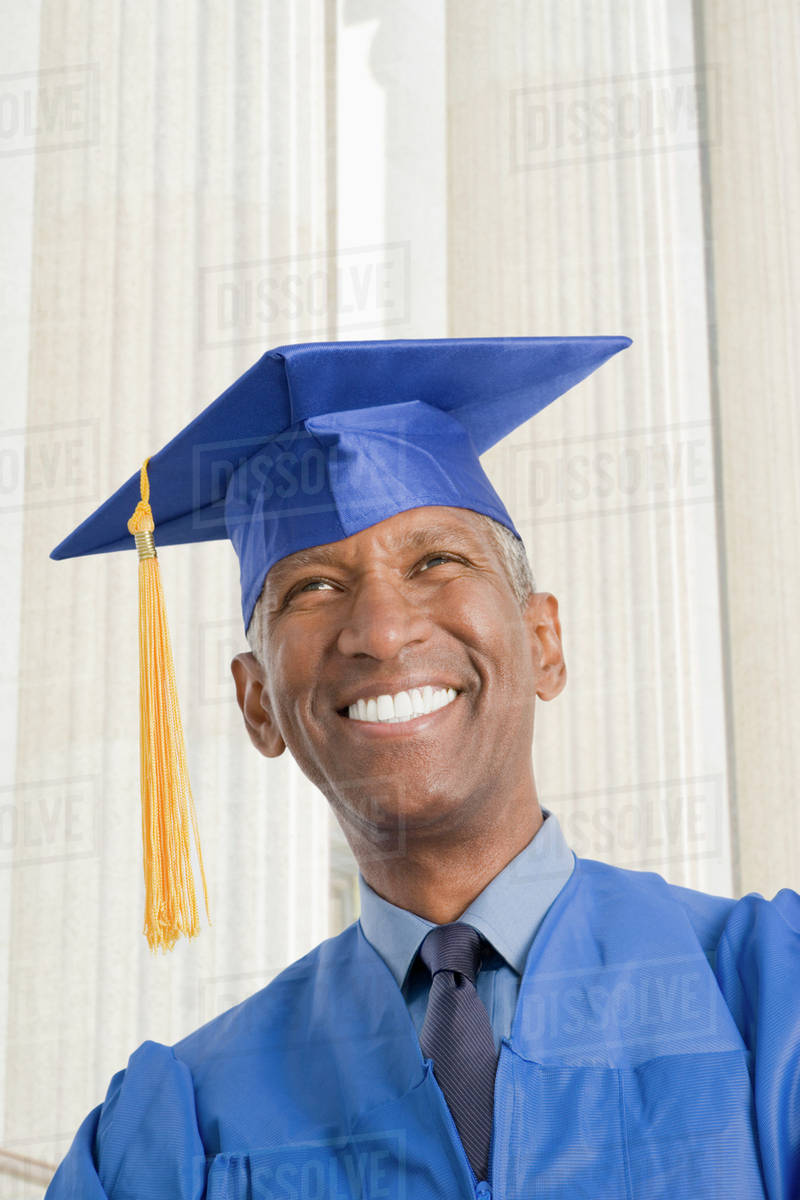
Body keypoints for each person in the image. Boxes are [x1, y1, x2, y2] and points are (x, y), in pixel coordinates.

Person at [46, 338, 799, 1199]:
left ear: (544, 643)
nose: (381, 628)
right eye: (312, 589)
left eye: (435, 562)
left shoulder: (770, 998)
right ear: (259, 706)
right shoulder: (178, 1131)